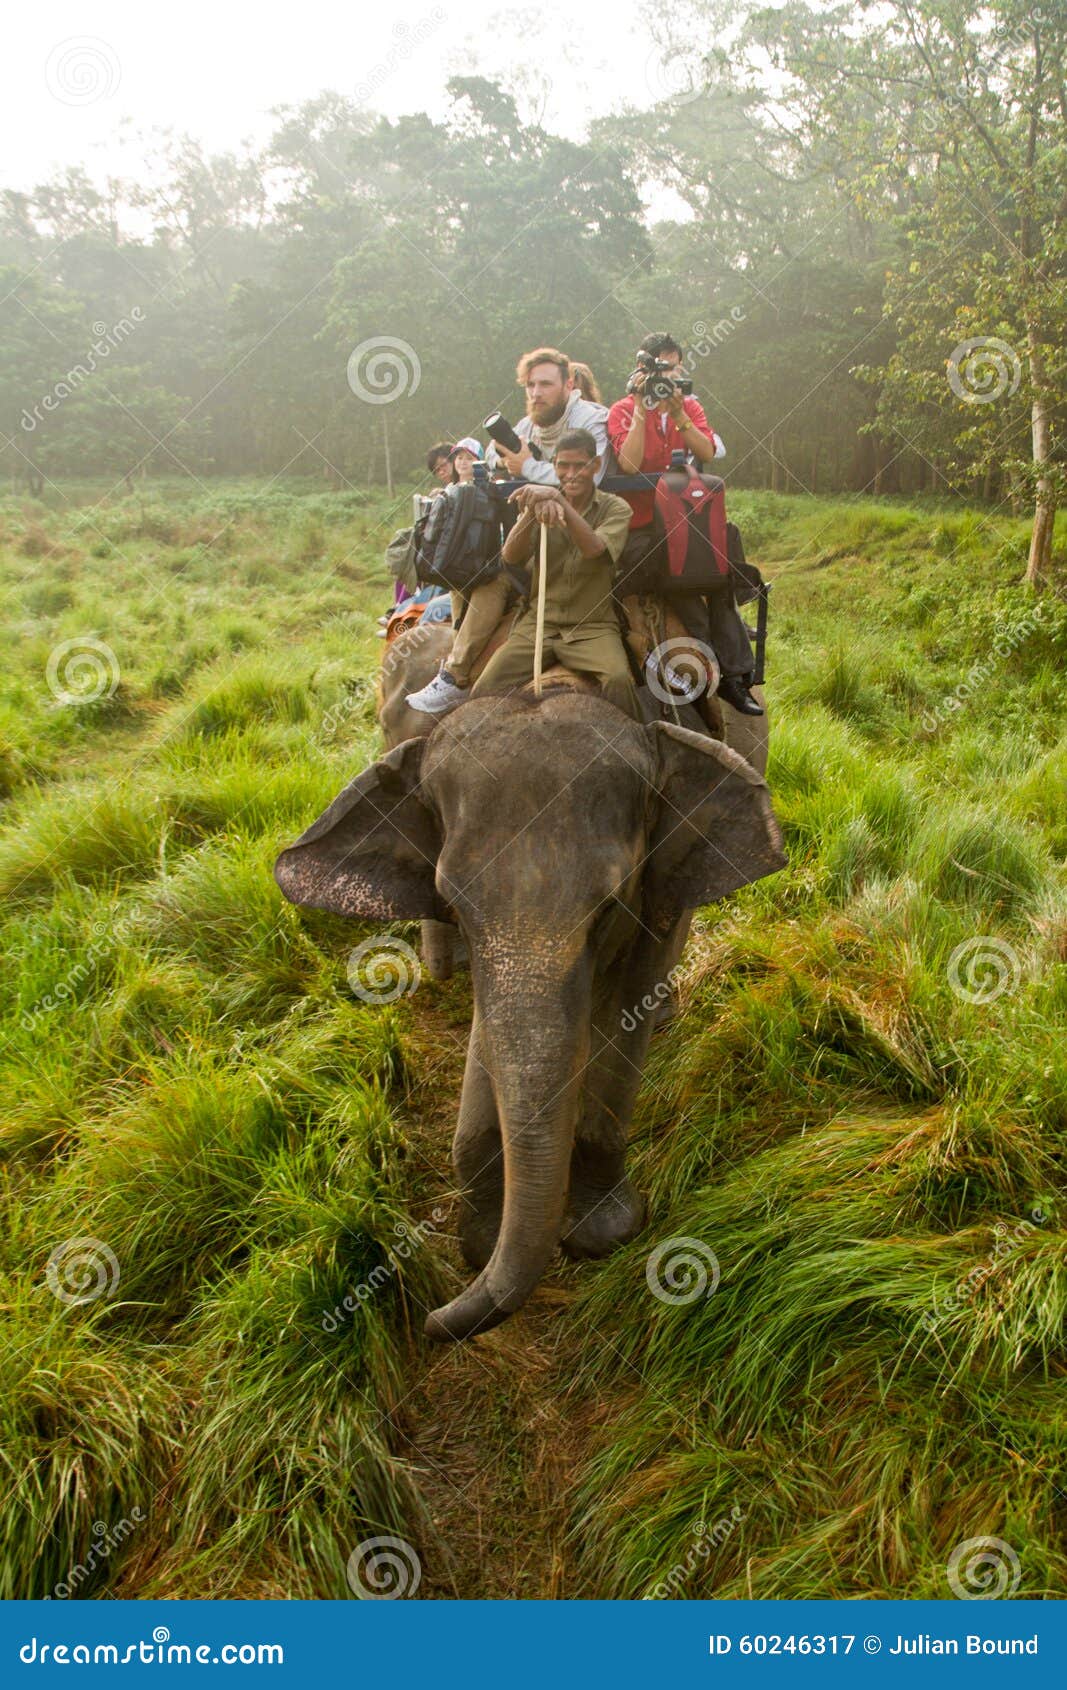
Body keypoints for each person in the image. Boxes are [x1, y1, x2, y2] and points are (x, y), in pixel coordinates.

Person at [607, 331, 763, 717]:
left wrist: (677, 414)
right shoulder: (622, 410)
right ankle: (722, 672)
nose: (667, 378)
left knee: (720, 570)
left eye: (673, 369)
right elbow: (628, 463)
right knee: (686, 581)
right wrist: (644, 409)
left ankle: (736, 676)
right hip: (643, 528)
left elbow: (707, 451)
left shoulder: (689, 408)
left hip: (687, 523)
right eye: (659, 369)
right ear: (640, 371)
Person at [471, 429, 639, 719]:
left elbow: (595, 549)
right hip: (539, 623)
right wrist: (530, 513)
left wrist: (558, 501)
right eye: (563, 466)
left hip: (592, 626)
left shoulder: (616, 508)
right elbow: (510, 556)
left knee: (619, 680)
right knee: (484, 687)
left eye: (579, 465)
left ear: (596, 465)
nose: (570, 474)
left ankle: (639, 748)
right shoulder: (543, 502)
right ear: (554, 465)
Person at [406, 434, 512, 713]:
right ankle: (453, 666)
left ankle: (456, 673)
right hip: (463, 569)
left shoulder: (490, 490)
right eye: (459, 459)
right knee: (454, 594)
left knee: (489, 584)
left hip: (494, 566)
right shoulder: (451, 493)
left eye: (469, 458)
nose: (463, 463)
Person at [486, 347, 612, 486]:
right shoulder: (528, 424)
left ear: (568, 385)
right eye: (530, 385)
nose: (536, 393)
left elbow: (588, 476)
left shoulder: (591, 420)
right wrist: (505, 461)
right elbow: (492, 449)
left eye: (545, 384)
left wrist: (527, 466)